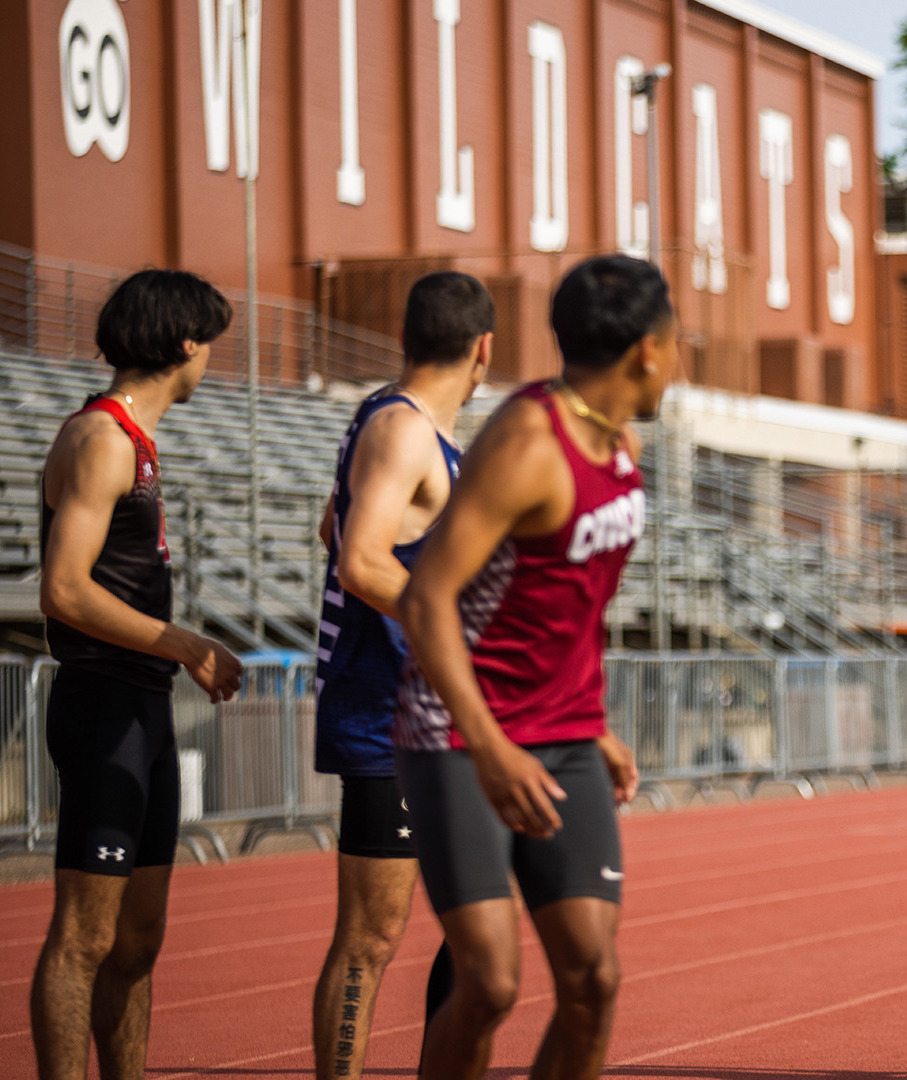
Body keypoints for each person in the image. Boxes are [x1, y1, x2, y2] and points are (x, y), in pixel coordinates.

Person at [394, 255, 666, 1080]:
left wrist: (595, 725)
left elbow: (572, 603)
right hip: (459, 731)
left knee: (594, 977)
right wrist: (489, 745)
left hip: (566, 733)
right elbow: (425, 600)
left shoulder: (618, 440)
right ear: (650, 351)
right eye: (680, 343)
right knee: (489, 981)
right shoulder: (525, 443)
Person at [30, 270, 245, 1079]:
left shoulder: (134, 443)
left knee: (138, 939)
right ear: (186, 344)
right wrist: (185, 644)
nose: (212, 360)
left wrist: (172, 658)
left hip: (143, 707)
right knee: (84, 936)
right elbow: (63, 587)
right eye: (210, 343)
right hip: (102, 705)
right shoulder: (100, 439)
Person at [311, 271, 493, 1079]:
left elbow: (333, 524)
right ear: (485, 349)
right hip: (387, 715)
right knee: (373, 937)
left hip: (433, 711)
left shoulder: (406, 427)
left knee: (475, 931)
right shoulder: (403, 429)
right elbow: (357, 557)